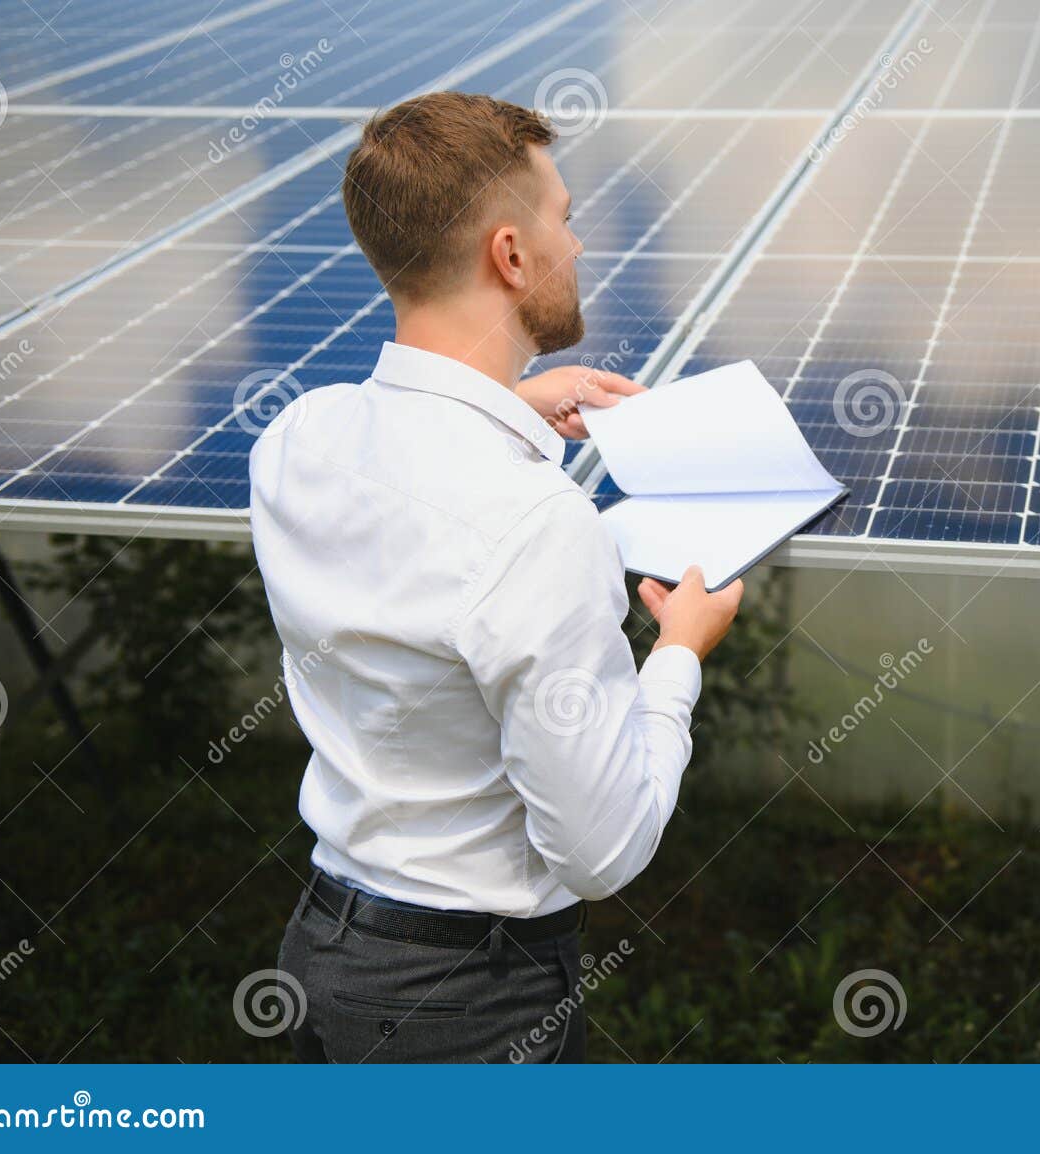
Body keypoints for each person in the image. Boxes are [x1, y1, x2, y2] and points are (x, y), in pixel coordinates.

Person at [248, 91, 744, 1063]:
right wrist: (680, 654)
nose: (579, 243)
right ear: (511, 255)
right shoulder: (538, 527)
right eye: (563, 218)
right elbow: (602, 851)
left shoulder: (298, 439)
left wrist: (507, 401)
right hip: (466, 1003)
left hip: (320, 951)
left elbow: (419, 505)